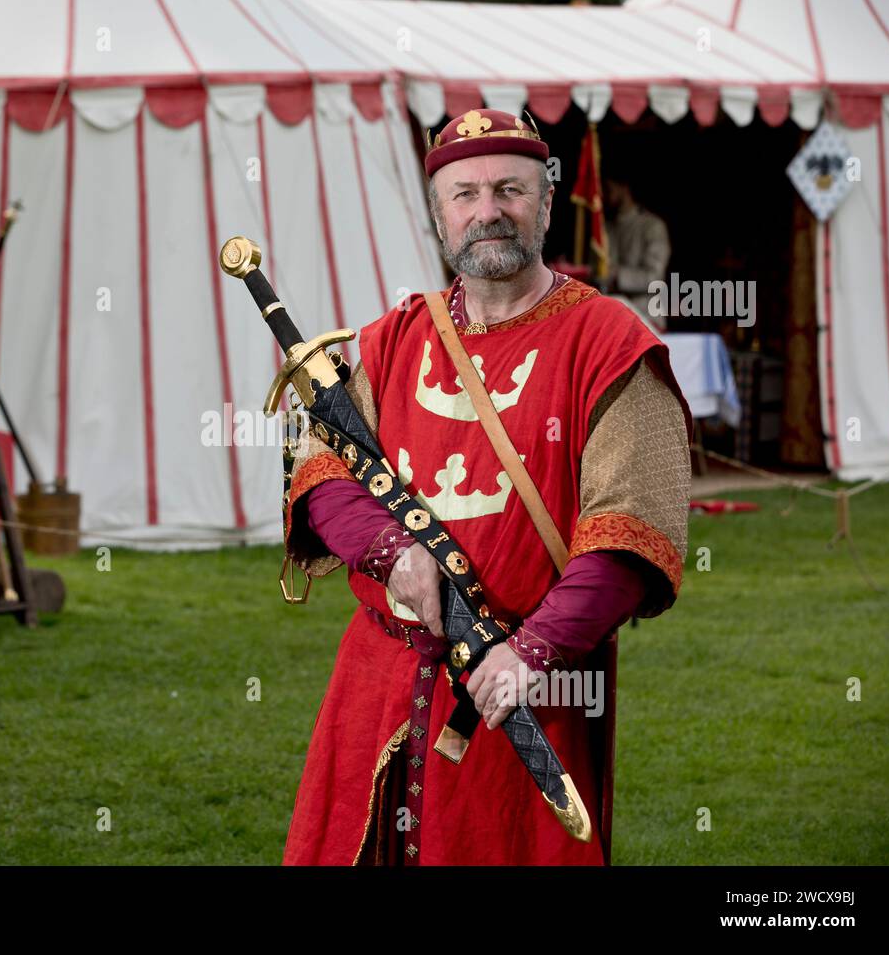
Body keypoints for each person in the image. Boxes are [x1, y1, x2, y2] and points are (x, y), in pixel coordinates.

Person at [280, 108, 692, 866]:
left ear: (545, 201)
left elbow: (631, 530)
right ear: (440, 215)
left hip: (525, 689)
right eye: (465, 194)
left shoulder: (610, 344)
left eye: (510, 189)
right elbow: (323, 469)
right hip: (377, 677)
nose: (488, 211)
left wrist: (529, 654)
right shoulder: (389, 338)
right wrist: (389, 551)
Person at [603, 174, 672, 332]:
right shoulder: (606, 228)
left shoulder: (652, 226)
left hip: (646, 319)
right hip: (612, 319)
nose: (604, 195)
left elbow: (655, 277)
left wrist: (616, 276)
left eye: (608, 188)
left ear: (624, 188)